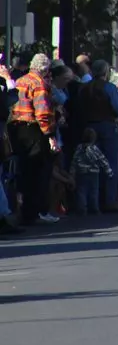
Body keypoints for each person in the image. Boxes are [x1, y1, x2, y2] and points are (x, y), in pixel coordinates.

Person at [9, 53, 60, 224]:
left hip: (17, 129)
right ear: (45, 69)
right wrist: (50, 134)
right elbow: (42, 113)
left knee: (24, 171)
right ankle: (37, 211)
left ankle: (24, 210)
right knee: (39, 172)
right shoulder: (40, 84)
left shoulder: (20, 81)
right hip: (34, 130)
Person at [70, 128, 112, 215]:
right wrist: (109, 171)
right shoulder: (94, 148)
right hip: (94, 173)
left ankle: (82, 209)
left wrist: (72, 172)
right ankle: (94, 208)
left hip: (81, 172)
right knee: (94, 191)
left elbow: (74, 161)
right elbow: (102, 160)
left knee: (81, 191)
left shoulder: (79, 148)